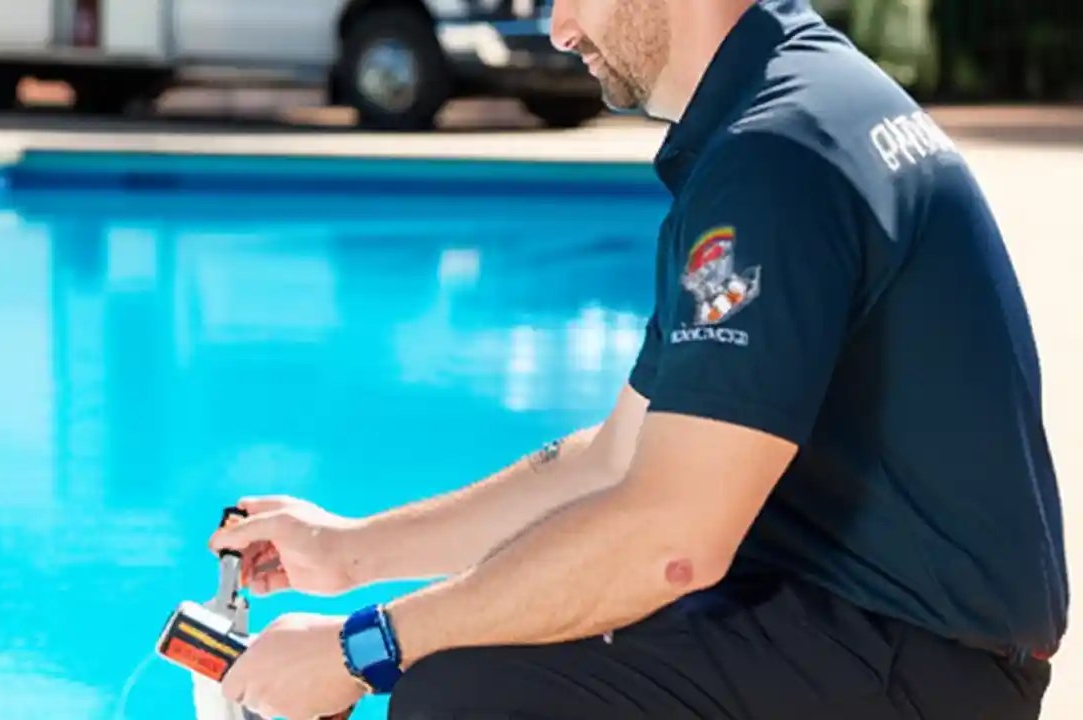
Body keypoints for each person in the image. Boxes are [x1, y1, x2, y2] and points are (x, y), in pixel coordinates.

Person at [208, 1, 1069, 718]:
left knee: (462, 695)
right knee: (482, 650)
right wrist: (352, 552)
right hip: (894, 631)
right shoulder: (800, 103)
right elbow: (617, 458)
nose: (559, 28)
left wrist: (362, 648)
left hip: (909, 662)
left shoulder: (775, 159)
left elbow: (670, 542)